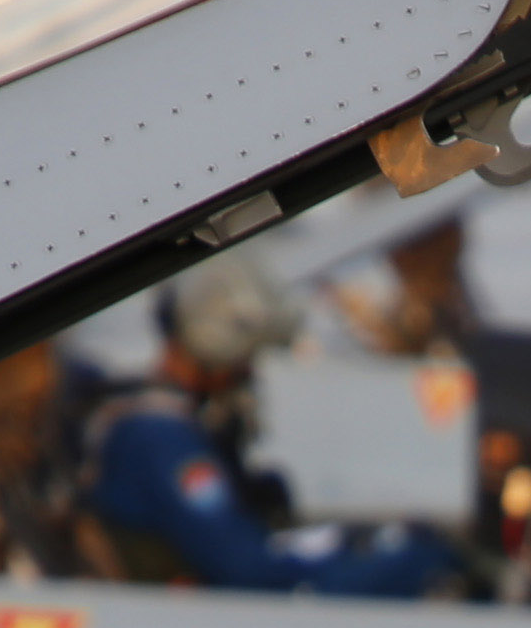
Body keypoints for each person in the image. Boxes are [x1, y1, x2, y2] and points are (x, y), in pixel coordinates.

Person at [82, 253, 453, 598]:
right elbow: (248, 570)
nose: (252, 380)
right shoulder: (158, 438)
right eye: (247, 365)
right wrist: (409, 563)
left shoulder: (163, 426)